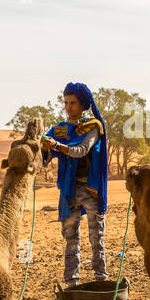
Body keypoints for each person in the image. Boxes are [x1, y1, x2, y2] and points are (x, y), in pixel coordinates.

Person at [42, 82, 109, 287]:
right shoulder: (60, 129)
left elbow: (81, 150)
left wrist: (58, 146)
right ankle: (72, 282)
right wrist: (45, 146)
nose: (68, 107)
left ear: (83, 105)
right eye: (66, 102)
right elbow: (46, 153)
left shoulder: (93, 127)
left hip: (90, 190)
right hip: (69, 191)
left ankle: (101, 278)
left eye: (72, 103)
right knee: (71, 236)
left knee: (96, 236)